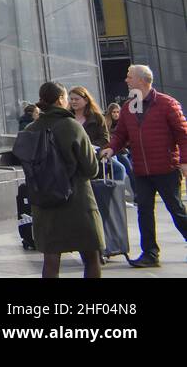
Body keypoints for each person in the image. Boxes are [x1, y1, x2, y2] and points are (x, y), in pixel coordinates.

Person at [99, 64, 187, 268]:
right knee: (144, 211)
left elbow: (183, 135)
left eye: (129, 77)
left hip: (166, 168)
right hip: (141, 170)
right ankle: (150, 253)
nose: (126, 80)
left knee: (176, 210)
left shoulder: (167, 104)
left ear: (142, 80)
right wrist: (111, 148)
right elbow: (121, 134)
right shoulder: (129, 107)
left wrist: (184, 162)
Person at [27, 82, 104, 278]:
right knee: (90, 256)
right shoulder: (71, 126)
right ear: (61, 99)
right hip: (77, 200)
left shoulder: (30, 128)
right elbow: (91, 168)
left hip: (45, 202)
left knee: (51, 259)